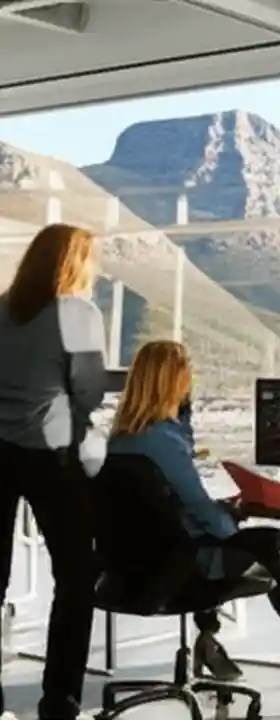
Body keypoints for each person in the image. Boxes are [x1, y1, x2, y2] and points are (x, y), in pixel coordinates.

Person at [105, 340, 280, 681]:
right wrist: (232, 525)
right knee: (268, 543)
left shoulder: (119, 442)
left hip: (133, 566)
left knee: (237, 537)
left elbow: (165, 509)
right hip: (181, 565)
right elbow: (201, 512)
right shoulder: (165, 442)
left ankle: (210, 638)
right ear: (176, 384)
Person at [0, 224, 105, 720]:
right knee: (75, 577)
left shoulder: (1, 307)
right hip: (52, 457)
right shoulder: (76, 313)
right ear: (73, 263)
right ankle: (59, 699)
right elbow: (89, 392)